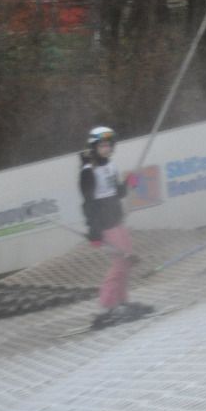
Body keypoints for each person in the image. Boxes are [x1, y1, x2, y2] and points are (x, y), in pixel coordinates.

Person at [79, 126, 152, 328]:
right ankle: (107, 307)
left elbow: (116, 193)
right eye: (102, 146)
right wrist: (94, 229)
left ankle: (122, 302)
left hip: (116, 220)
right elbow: (89, 202)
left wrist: (128, 183)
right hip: (105, 223)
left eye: (109, 145)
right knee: (120, 263)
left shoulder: (110, 166)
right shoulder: (88, 171)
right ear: (93, 147)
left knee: (126, 263)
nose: (107, 149)